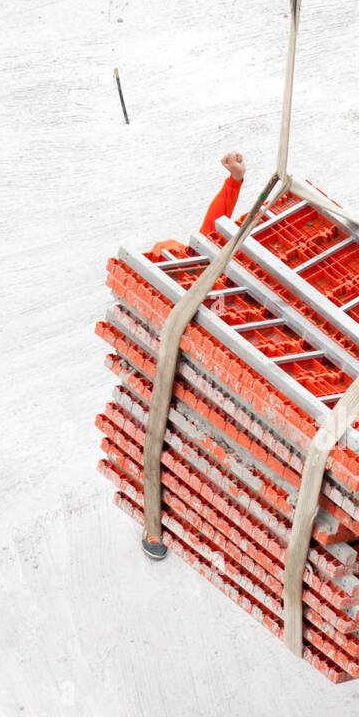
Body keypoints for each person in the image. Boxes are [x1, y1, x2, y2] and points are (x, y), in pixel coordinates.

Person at [141, 152, 247, 562]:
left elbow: (214, 221)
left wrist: (235, 181)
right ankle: (159, 528)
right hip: (184, 386)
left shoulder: (202, 266)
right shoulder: (164, 310)